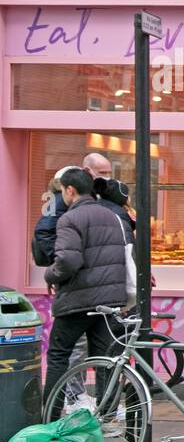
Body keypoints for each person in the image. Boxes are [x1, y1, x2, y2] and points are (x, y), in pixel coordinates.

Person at [41, 168, 129, 411]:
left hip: (78, 301)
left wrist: (49, 274)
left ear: (70, 190)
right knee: (105, 360)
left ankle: (51, 414)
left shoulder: (69, 219)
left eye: (62, 192)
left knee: (58, 355)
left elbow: (68, 261)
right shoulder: (111, 216)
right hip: (109, 301)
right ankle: (107, 415)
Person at [82, 153, 135, 236]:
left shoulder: (111, 194)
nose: (107, 177)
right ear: (87, 171)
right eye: (102, 173)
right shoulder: (78, 194)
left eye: (109, 173)